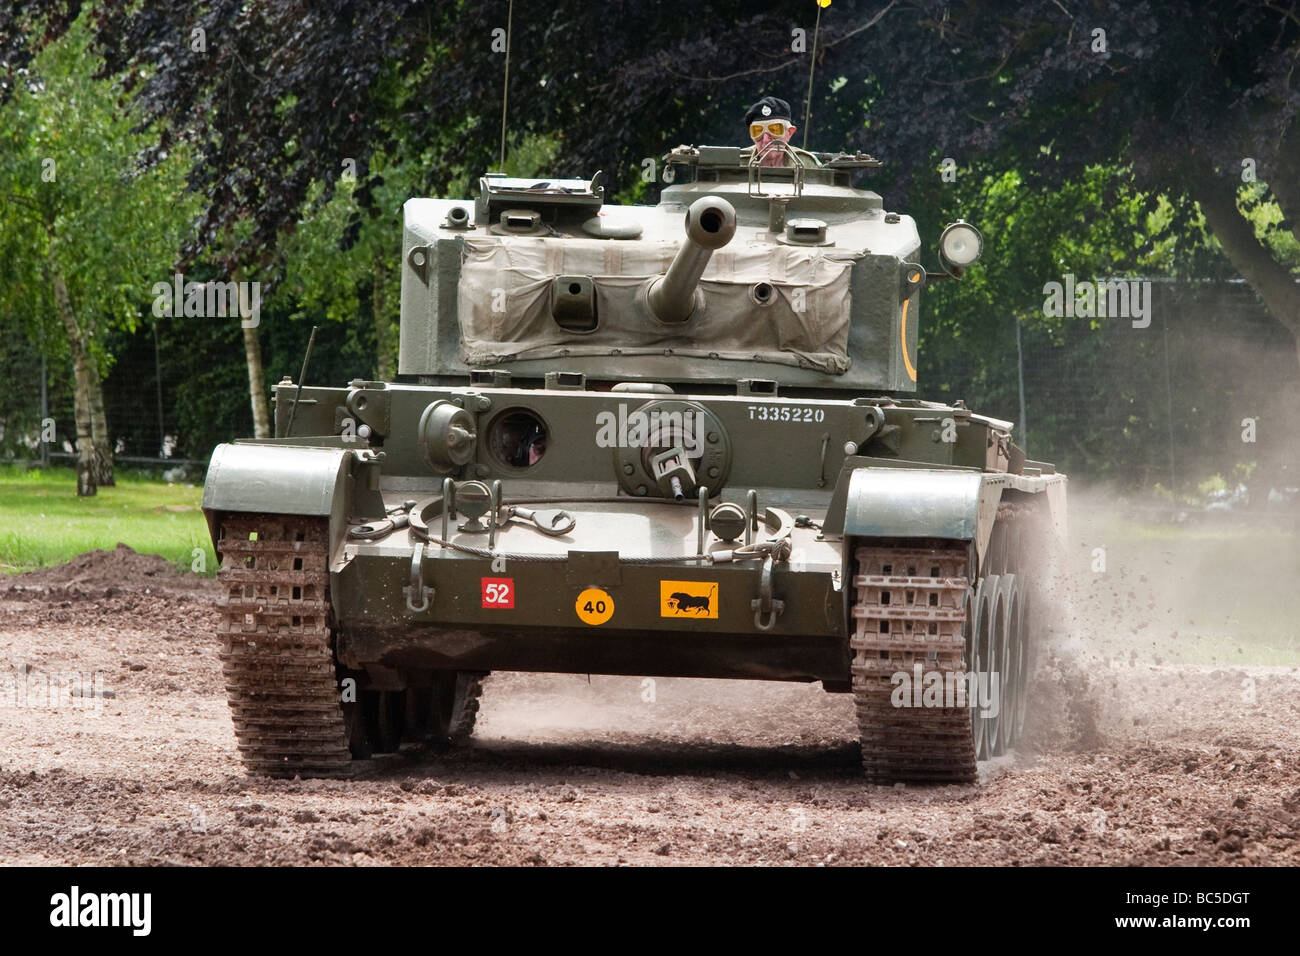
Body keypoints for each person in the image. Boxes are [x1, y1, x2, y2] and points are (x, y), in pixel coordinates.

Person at [739, 96, 821, 168]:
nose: (766, 140)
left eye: (774, 130)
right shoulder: (738, 163)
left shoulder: (806, 165)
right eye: (757, 131)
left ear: (789, 133)